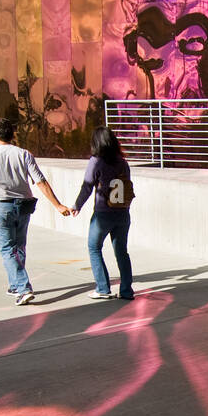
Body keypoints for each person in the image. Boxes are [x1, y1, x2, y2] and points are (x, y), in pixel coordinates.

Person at [0, 118, 71, 305]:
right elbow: (40, 181)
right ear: (12, 134)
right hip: (23, 206)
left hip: (2, 206)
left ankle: (23, 288)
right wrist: (57, 205)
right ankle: (15, 285)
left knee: (7, 248)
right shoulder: (24, 154)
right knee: (19, 246)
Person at [72, 127, 135, 300]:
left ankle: (103, 288)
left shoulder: (96, 161)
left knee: (94, 248)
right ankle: (126, 291)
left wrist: (77, 205)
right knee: (121, 251)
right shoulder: (123, 162)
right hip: (122, 213)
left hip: (103, 214)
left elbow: (87, 186)